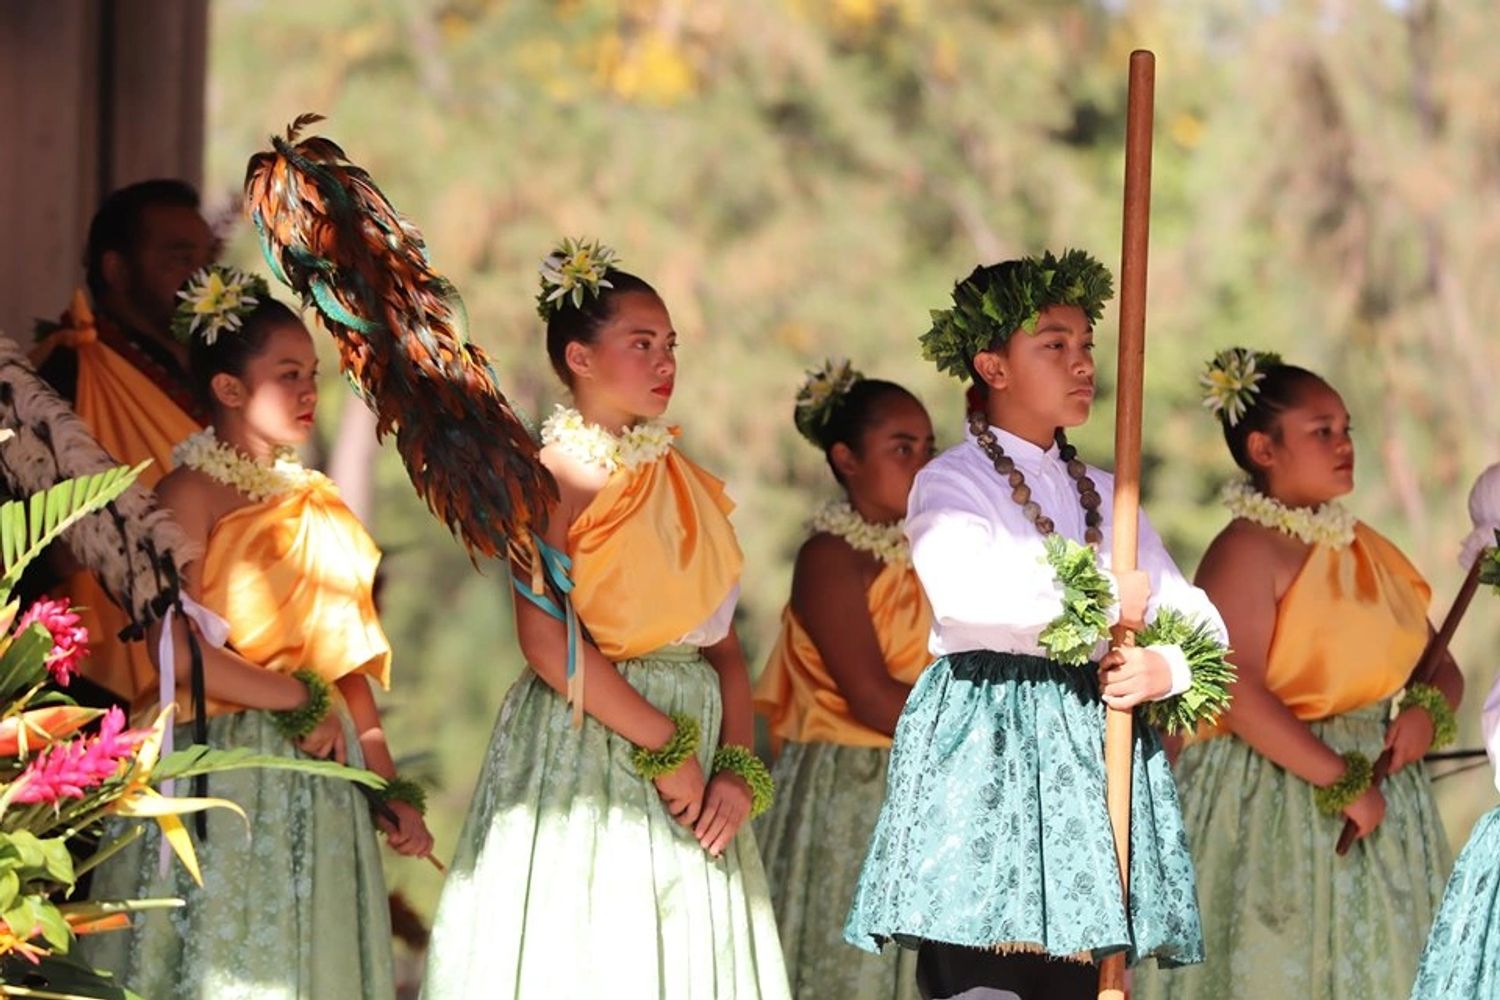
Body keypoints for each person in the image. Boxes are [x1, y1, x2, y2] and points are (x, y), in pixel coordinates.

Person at [844, 250, 1233, 1000]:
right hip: (987, 748)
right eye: (1054, 345)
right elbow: (965, 594)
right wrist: (1102, 601)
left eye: (1086, 345)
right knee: (984, 965)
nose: (1082, 363)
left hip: (1089, 753)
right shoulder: (952, 479)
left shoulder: (1109, 496)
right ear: (993, 365)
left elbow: (1195, 621)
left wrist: (1166, 669)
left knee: (1077, 976)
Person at [420, 239, 790, 998]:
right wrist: (667, 745)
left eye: (670, 346)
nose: (664, 362)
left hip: (697, 747)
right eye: (641, 343)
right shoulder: (551, 479)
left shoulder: (677, 475)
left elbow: (721, 644)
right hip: (595, 736)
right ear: (581, 359)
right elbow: (545, 641)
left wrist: (735, 767)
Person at [80, 264, 433, 999]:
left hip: (319, 782)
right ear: (229, 389)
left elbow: (344, 661)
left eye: (311, 374)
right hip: (217, 766)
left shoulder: (315, 499)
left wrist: (384, 777)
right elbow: (175, 648)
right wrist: (293, 700)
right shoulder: (187, 494)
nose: (309, 392)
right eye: (287, 375)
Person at [1135, 348, 1460, 1000]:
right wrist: (1340, 779)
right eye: (1322, 432)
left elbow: (1440, 665)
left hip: (1384, 801)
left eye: (1346, 430)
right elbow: (1234, 688)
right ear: (1263, 447)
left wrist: (1426, 709)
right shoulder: (1245, 549)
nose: (1344, 445)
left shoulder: (1365, 546)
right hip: (1274, 798)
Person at [753, 360, 934, 999]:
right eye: (901, 448)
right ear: (847, 459)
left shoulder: (938, 548)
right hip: (854, 789)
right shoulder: (830, 557)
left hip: (931, 783)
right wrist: (989, 738)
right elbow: (870, 695)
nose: (922, 463)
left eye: (929, 448)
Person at [29, 179, 215, 710]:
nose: (200, 276)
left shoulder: (212, 375)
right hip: (93, 682)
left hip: (205, 662)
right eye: (179, 258)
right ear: (116, 270)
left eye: (207, 257)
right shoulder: (67, 372)